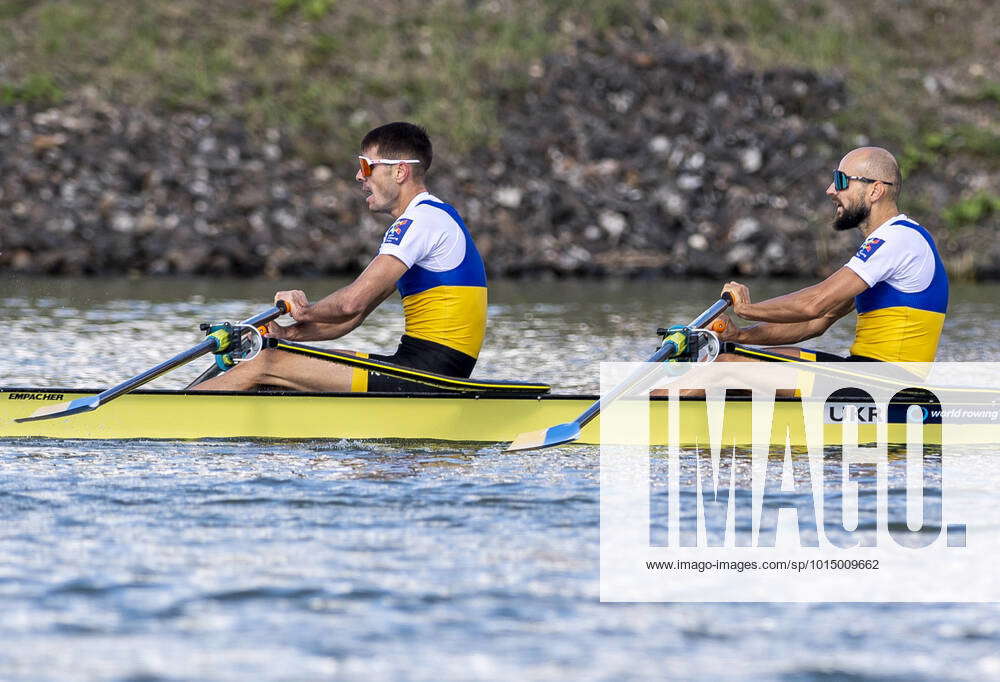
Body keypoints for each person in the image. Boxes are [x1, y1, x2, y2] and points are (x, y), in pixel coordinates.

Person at [194, 121, 487, 392]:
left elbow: (351, 302)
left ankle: (161, 418)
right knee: (276, 361)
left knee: (264, 364)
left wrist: (303, 310)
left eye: (366, 165)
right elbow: (353, 317)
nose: (359, 175)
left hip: (425, 374)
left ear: (400, 172)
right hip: (425, 369)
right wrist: (287, 335)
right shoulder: (431, 218)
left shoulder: (420, 221)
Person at [715, 146, 948, 365]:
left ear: (875, 190)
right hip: (865, 373)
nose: (830, 190)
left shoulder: (897, 239)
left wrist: (746, 309)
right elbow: (815, 322)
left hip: (884, 385)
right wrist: (740, 335)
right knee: (736, 355)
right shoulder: (894, 242)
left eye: (841, 181)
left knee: (727, 364)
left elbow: (814, 304)